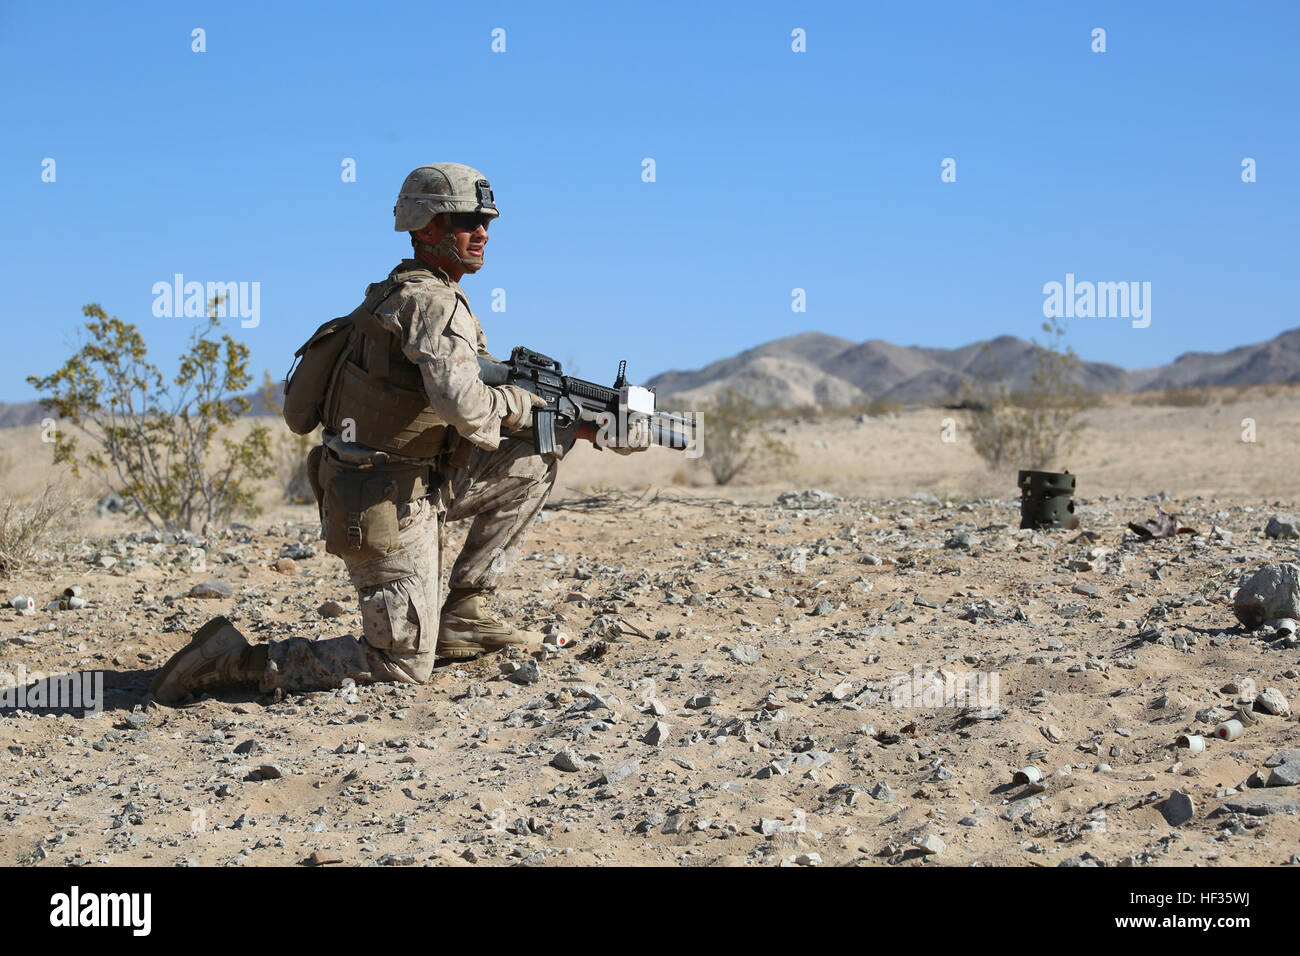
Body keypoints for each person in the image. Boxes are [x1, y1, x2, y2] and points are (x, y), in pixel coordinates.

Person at [150, 163, 643, 706]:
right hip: (380, 500)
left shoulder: (404, 291)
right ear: (425, 228)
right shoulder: (433, 302)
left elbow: (461, 399)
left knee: (535, 457)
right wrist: (527, 406)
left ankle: (463, 617)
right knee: (401, 666)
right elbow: (468, 409)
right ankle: (230, 661)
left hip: (420, 479)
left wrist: (577, 427)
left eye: (486, 222)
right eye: (465, 221)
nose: (482, 233)